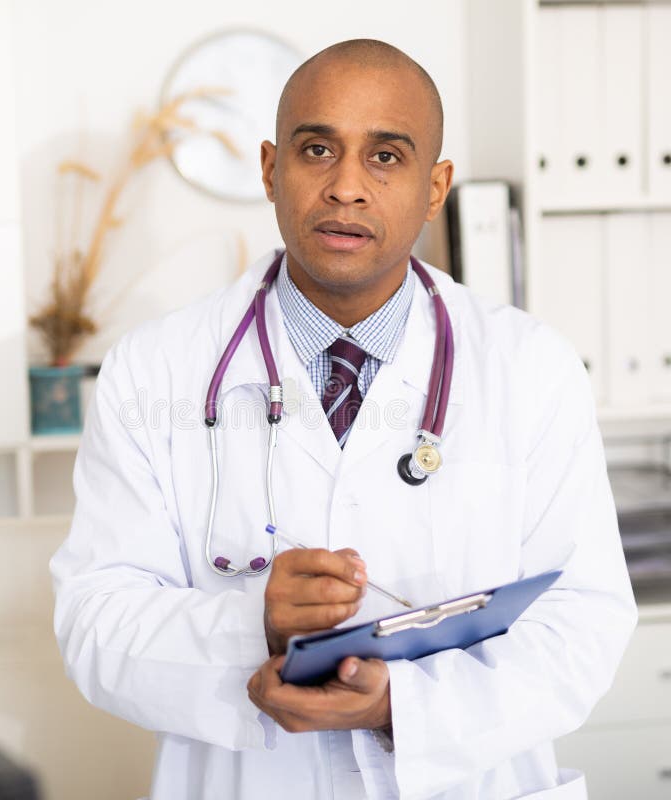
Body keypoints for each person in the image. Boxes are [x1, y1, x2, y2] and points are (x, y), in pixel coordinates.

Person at [50, 39, 636, 800]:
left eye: (386, 157)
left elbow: (582, 622)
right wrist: (251, 629)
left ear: (436, 187)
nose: (347, 187)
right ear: (269, 168)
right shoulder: (154, 369)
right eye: (317, 149)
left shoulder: (531, 368)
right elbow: (95, 623)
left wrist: (406, 708)